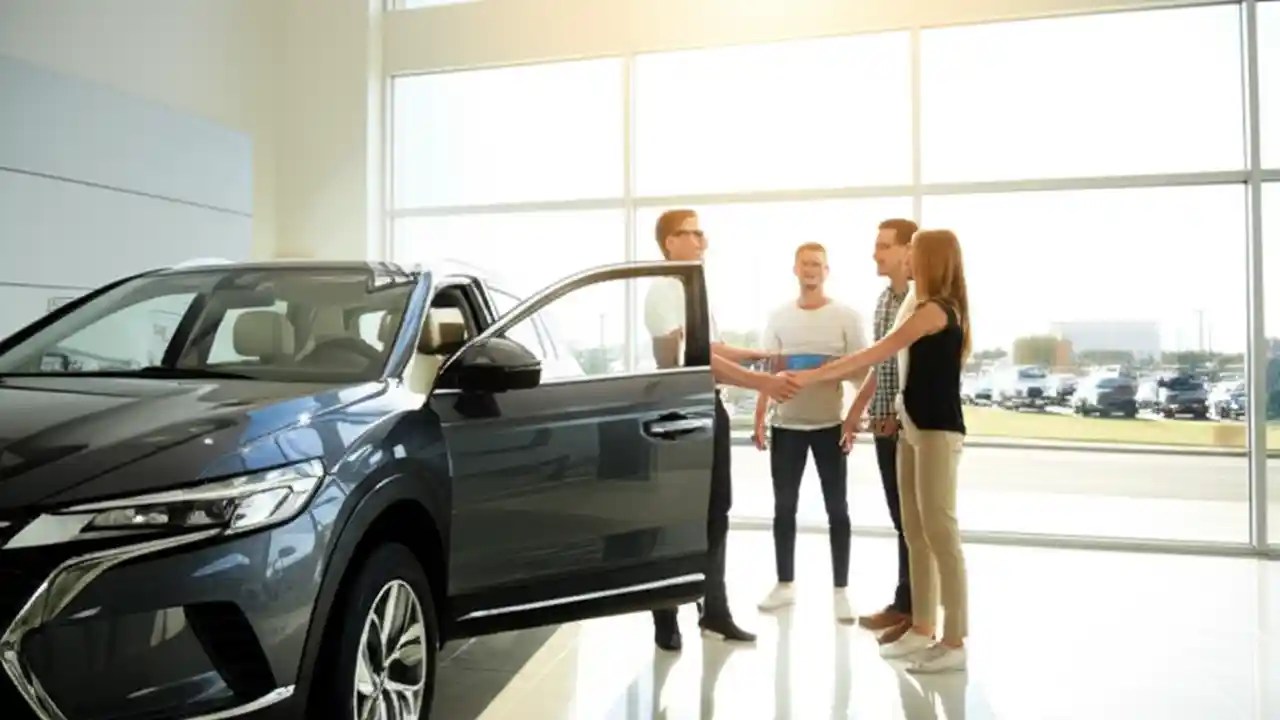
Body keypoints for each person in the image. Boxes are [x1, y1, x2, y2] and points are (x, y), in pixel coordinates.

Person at [788, 229, 971, 674]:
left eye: (913, 253)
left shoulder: (935, 311)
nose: (906, 259)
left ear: (929, 260)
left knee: (940, 532)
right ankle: (922, 627)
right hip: (911, 427)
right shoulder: (917, 304)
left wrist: (813, 377)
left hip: (936, 432)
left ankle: (954, 640)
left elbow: (877, 353)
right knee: (915, 531)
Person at [645, 208, 801, 652]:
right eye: (690, 234)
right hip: (677, 413)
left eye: (702, 234)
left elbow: (711, 347)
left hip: (707, 408)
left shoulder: (693, 290)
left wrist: (758, 355)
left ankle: (714, 611)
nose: (700, 241)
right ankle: (666, 614)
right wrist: (763, 381)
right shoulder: (662, 289)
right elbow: (694, 358)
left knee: (716, 512)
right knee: (677, 515)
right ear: (667, 241)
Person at [752, 242, 869, 621]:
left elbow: (863, 373)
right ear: (795, 269)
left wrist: (854, 416)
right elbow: (768, 374)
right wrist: (758, 419)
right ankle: (784, 584)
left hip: (829, 428)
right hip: (786, 428)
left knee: (838, 508)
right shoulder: (779, 317)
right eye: (805, 263)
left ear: (826, 270)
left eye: (817, 264)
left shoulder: (846, 318)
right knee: (784, 507)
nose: (811, 270)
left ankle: (841, 590)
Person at [845, 218, 918, 643]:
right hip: (883, 426)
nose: (876, 253)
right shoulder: (883, 301)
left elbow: (915, 368)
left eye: (884, 246)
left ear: (909, 250)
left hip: (906, 426)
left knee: (913, 521)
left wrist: (893, 411)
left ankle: (916, 609)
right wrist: (857, 409)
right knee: (899, 519)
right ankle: (905, 603)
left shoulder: (918, 300)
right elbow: (880, 364)